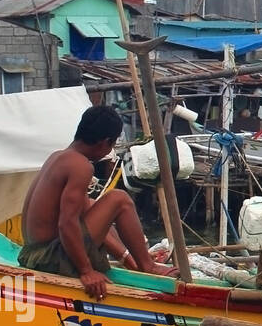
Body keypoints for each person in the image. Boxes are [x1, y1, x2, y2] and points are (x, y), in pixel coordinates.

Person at [19, 105, 177, 300]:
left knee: (92, 204)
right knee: (120, 199)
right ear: (105, 142)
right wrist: (86, 271)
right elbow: (66, 224)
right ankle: (148, 266)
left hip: (31, 255)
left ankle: (137, 262)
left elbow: (86, 214)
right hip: (49, 258)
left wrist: (127, 258)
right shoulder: (81, 166)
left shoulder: (58, 157)